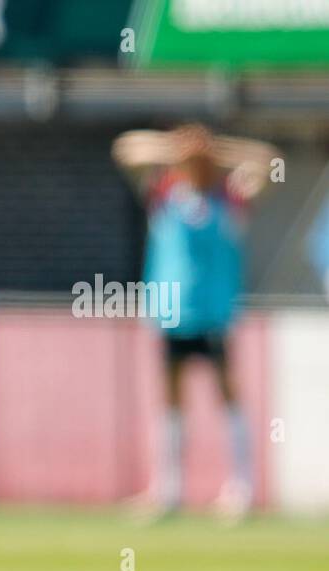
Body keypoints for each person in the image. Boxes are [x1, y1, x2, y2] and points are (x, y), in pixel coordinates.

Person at [113, 123, 276, 520]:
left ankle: (241, 489)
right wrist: (176, 147)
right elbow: (125, 149)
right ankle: (167, 492)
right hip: (171, 316)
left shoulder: (230, 197)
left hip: (214, 316)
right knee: (170, 400)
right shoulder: (165, 193)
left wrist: (215, 149)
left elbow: (271, 162)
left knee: (228, 396)